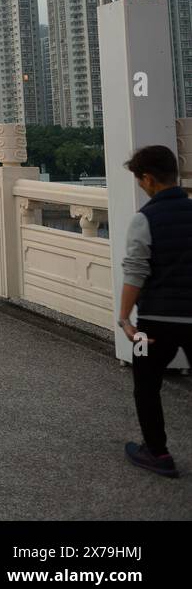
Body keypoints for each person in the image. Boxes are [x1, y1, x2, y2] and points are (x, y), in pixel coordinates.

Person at [119, 144, 192, 478]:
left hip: (153, 322)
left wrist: (124, 318)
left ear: (147, 179)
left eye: (139, 180)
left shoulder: (144, 218)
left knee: (145, 385)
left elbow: (135, 272)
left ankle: (158, 453)